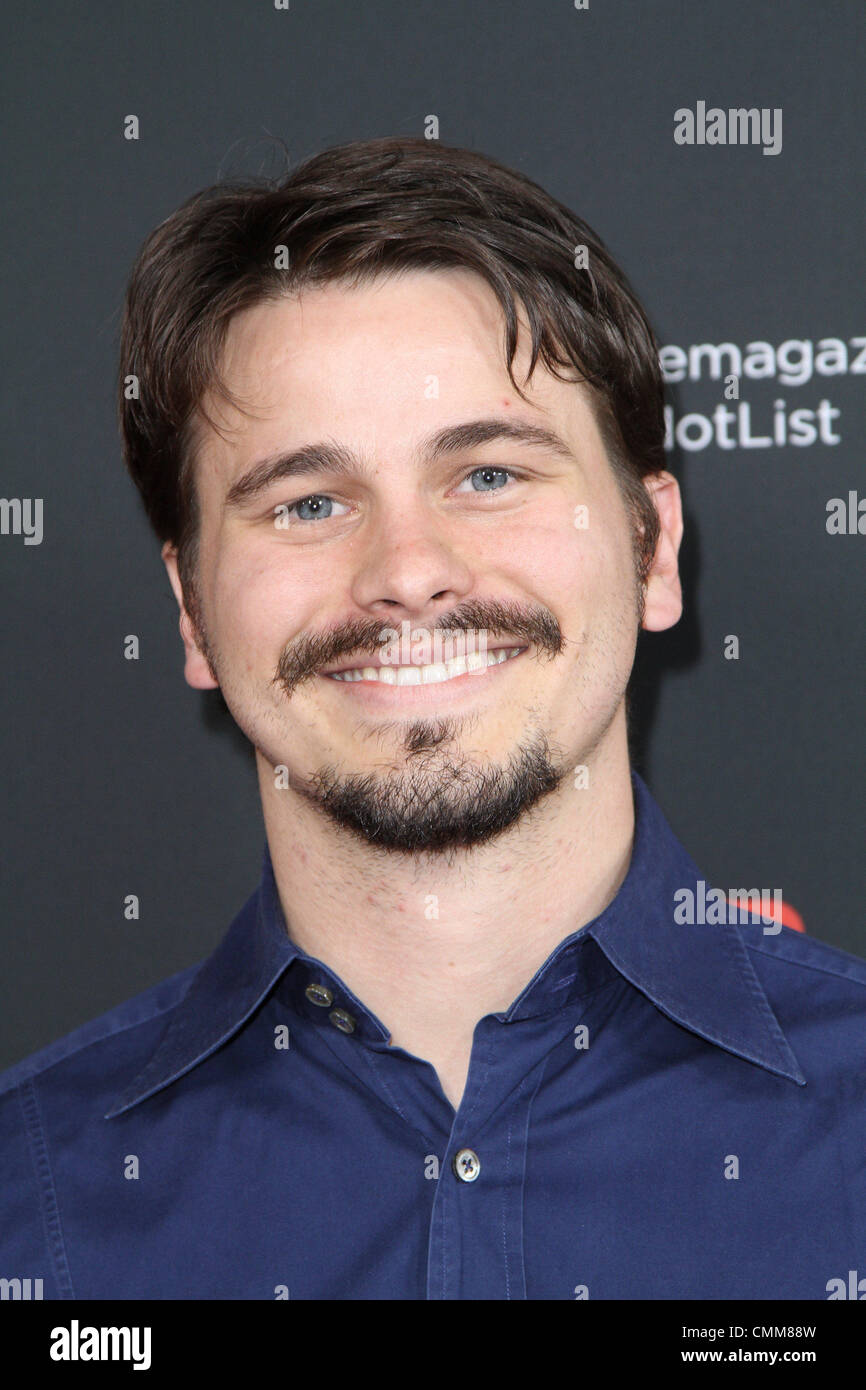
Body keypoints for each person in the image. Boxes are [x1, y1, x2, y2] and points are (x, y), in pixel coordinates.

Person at [1, 136, 864, 1301]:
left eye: (489, 475)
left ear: (651, 547)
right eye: (308, 502)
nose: (408, 570)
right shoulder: (32, 1202)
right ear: (192, 613)